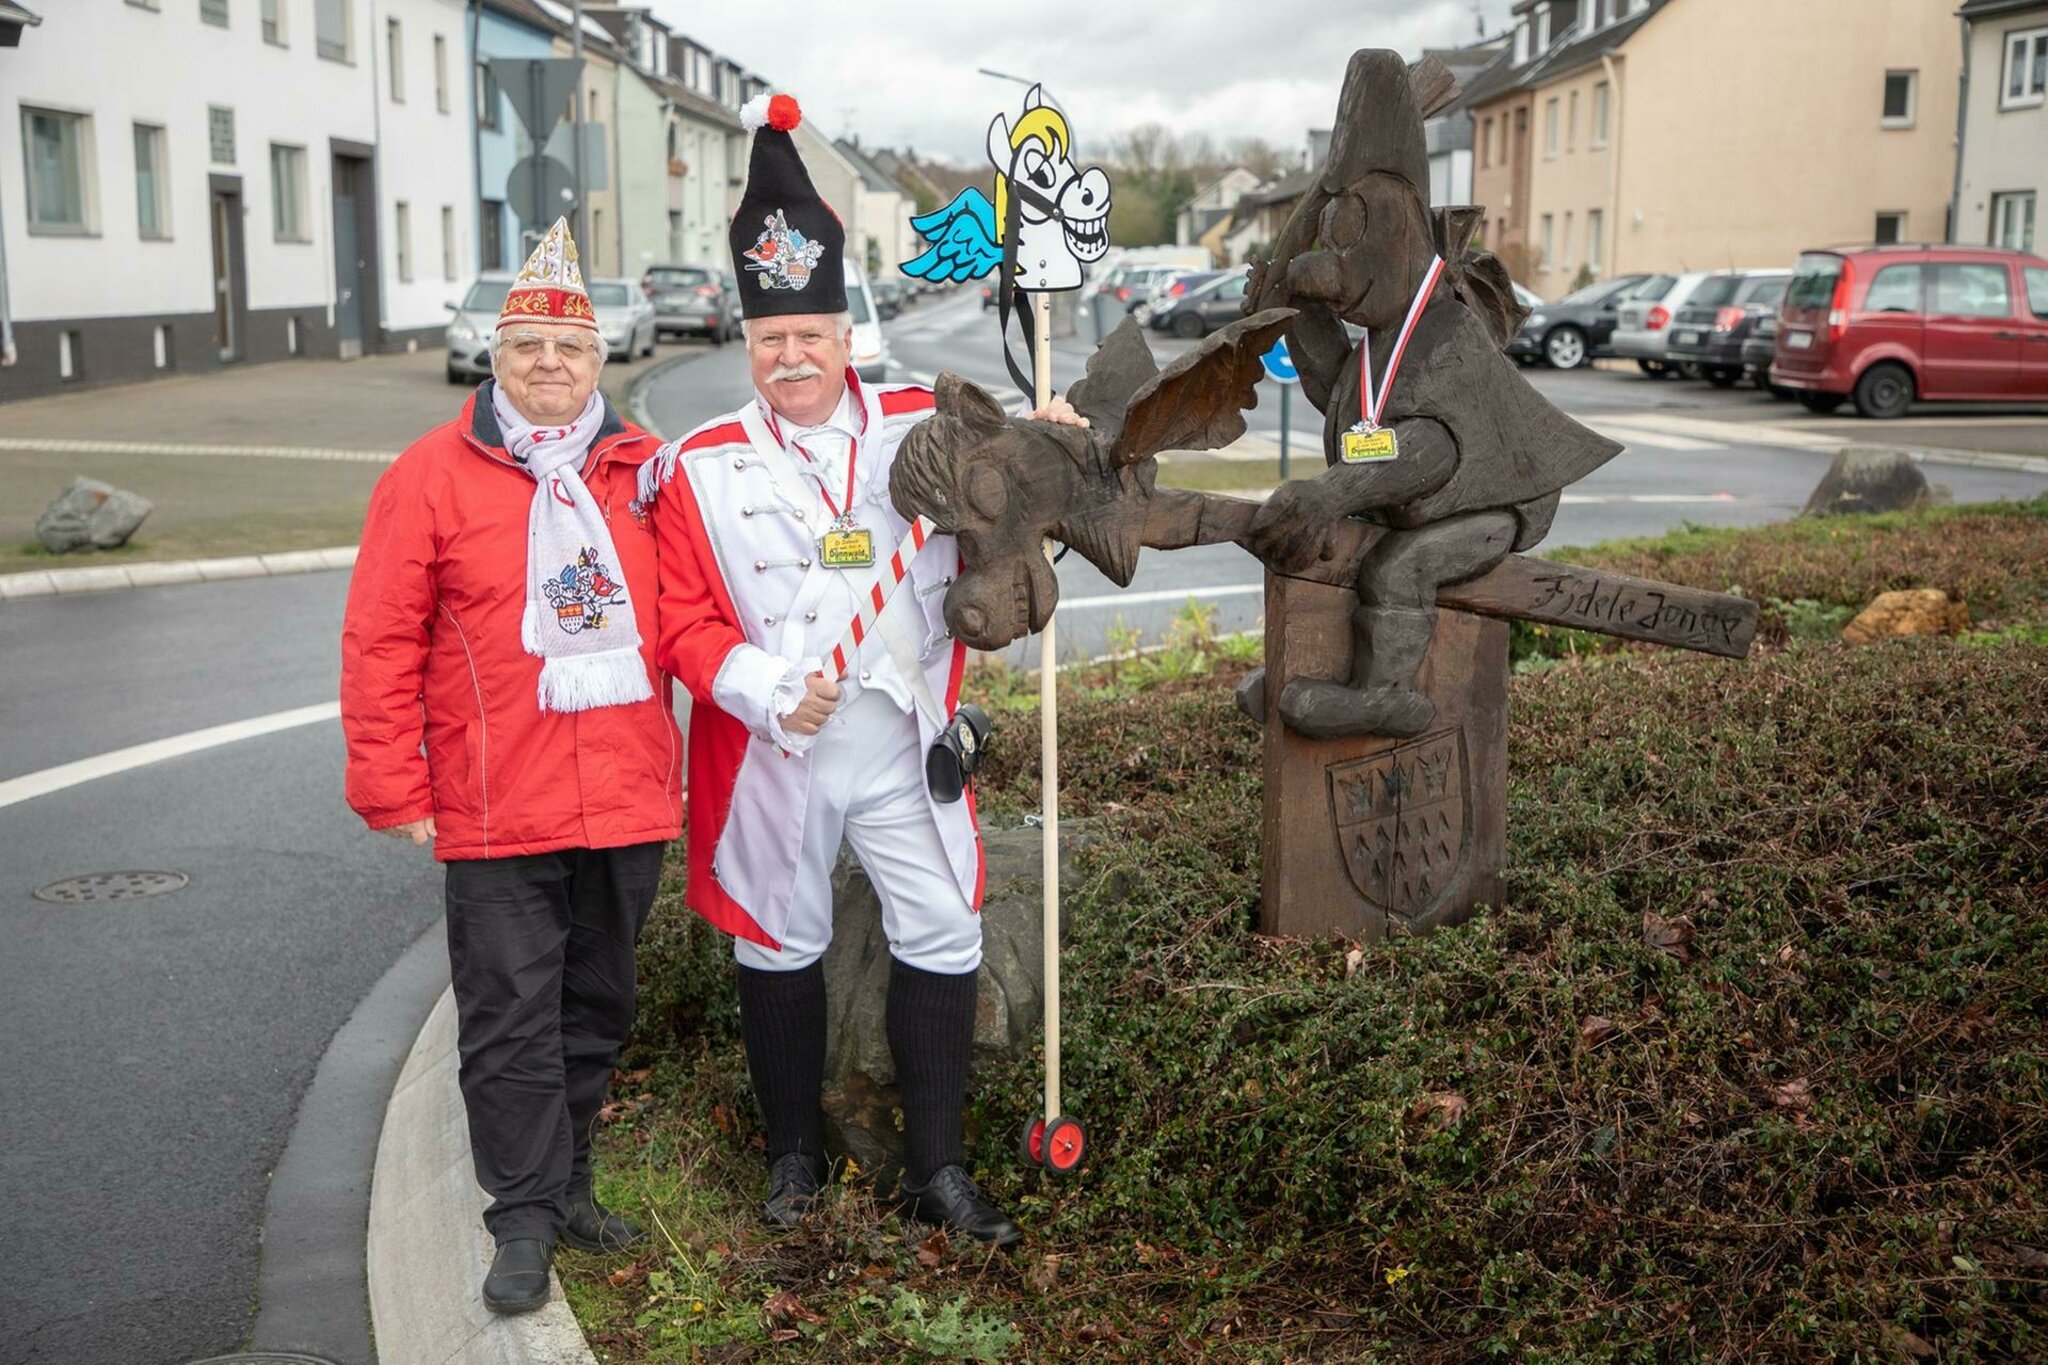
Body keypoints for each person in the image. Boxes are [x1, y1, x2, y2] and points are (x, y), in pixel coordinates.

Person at [639, 93, 1083, 1248]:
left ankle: (937, 1169)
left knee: (942, 926)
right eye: (770, 339)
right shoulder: (696, 467)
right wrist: (760, 685)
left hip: (900, 742)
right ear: (749, 341)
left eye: (811, 336)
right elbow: (679, 620)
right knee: (776, 939)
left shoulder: (918, 425)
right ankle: (791, 1159)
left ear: (844, 332)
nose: (792, 358)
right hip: (774, 748)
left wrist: (1051, 435)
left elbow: (1025, 494)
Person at [341, 218, 683, 1314]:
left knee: (595, 1005)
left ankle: (569, 1184)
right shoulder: (428, 478)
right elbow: (381, 640)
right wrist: (396, 788)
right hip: (496, 808)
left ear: (600, 360)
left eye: (570, 348)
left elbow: (703, 613)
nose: (549, 364)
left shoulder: (644, 472)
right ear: (495, 357)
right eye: (527, 346)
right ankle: (522, 1220)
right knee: (507, 1018)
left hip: (624, 796)